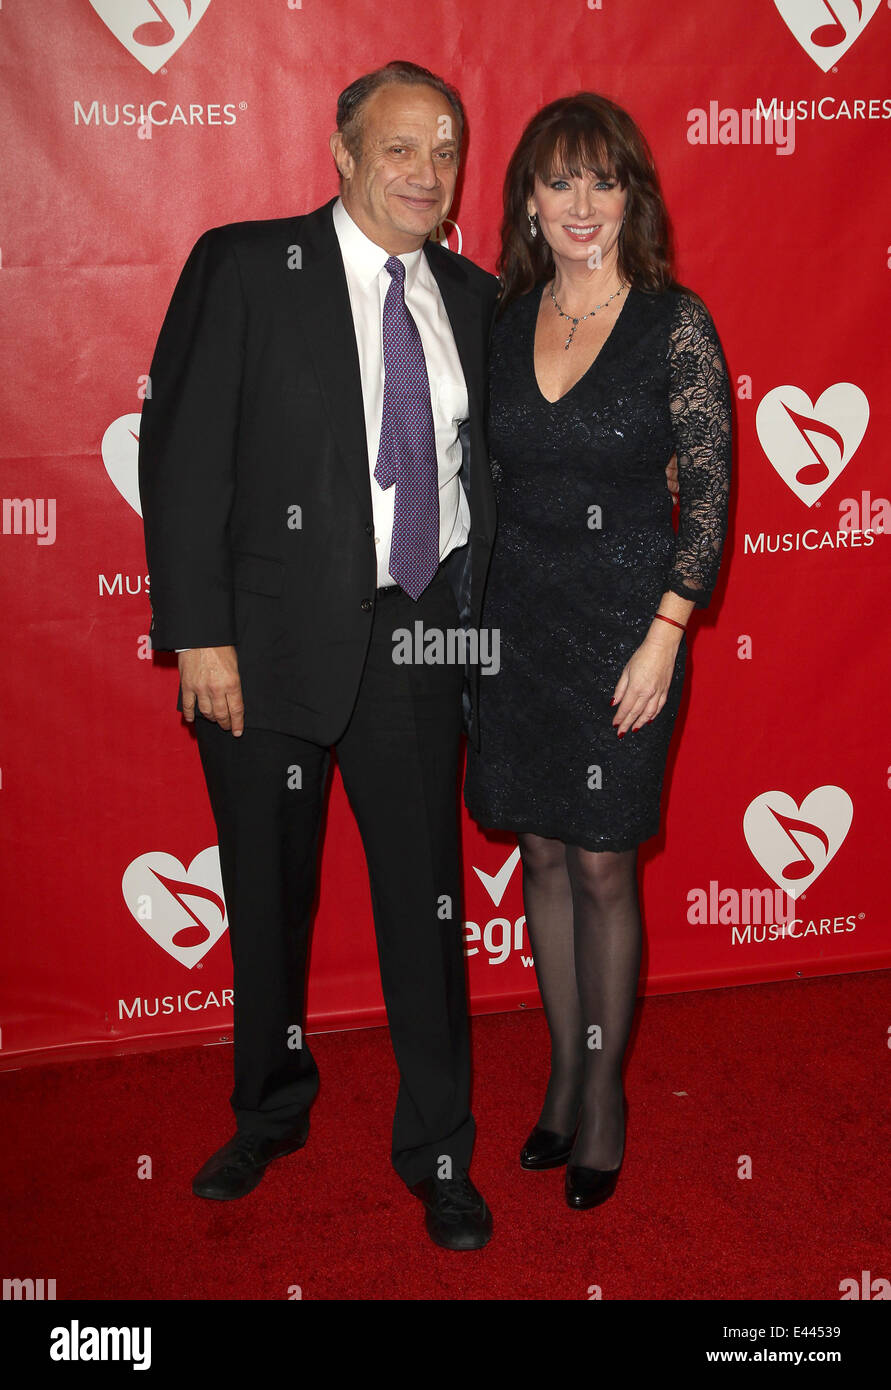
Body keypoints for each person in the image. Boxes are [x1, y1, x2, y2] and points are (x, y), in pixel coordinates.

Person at [138, 61, 500, 1251]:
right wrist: (198, 631)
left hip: (417, 643)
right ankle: (269, 1108)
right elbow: (185, 458)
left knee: (425, 910)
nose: (424, 173)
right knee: (267, 898)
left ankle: (440, 1147)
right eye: (399, 148)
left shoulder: (477, 293)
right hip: (265, 648)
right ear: (341, 154)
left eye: (444, 151)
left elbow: (505, 464)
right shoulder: (247, 267)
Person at [464, 93, 732, 1210]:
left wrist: (665, 634)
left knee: (605, 861)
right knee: (539, 856)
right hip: (519, 624)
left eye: (603, 180)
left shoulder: (675, 320)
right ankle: (565, 1078)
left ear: (633, 195)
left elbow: (710, 496)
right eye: (560, 181)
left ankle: (606, 1094)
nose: (582, 204)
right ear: (529, 196)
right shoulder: (501, 318)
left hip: (628, 628)